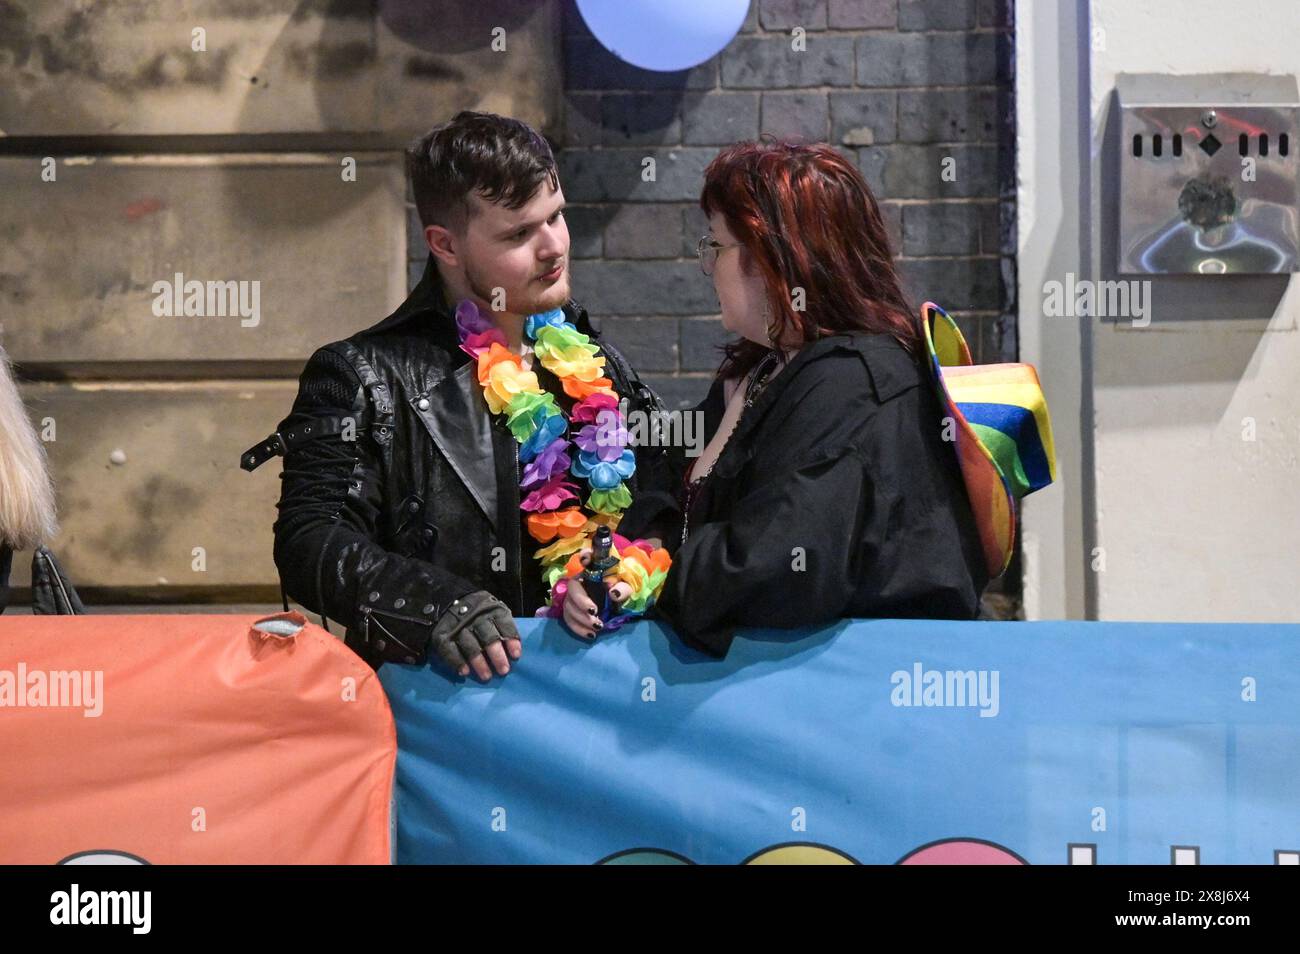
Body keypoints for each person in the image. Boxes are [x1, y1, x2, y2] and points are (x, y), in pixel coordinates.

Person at [243, 111, 671, 677]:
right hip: (446, 713)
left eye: (556, 217)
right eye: (519, 233)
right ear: (444, 244)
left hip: (591, 708)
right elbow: (309, 542)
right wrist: (437, 603)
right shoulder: (363, 373)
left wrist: (614, 578)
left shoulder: (599, 363)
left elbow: (662, 505)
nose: (552, 247)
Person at [615, 138, 992, 657]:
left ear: (772, 259)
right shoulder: (766, 365)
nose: (707, 265)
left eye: (716, 247)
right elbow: (667, 473)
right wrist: (650, 542)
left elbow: (777, 565)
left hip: (868, 702)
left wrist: (652, 577)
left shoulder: (855, 383)